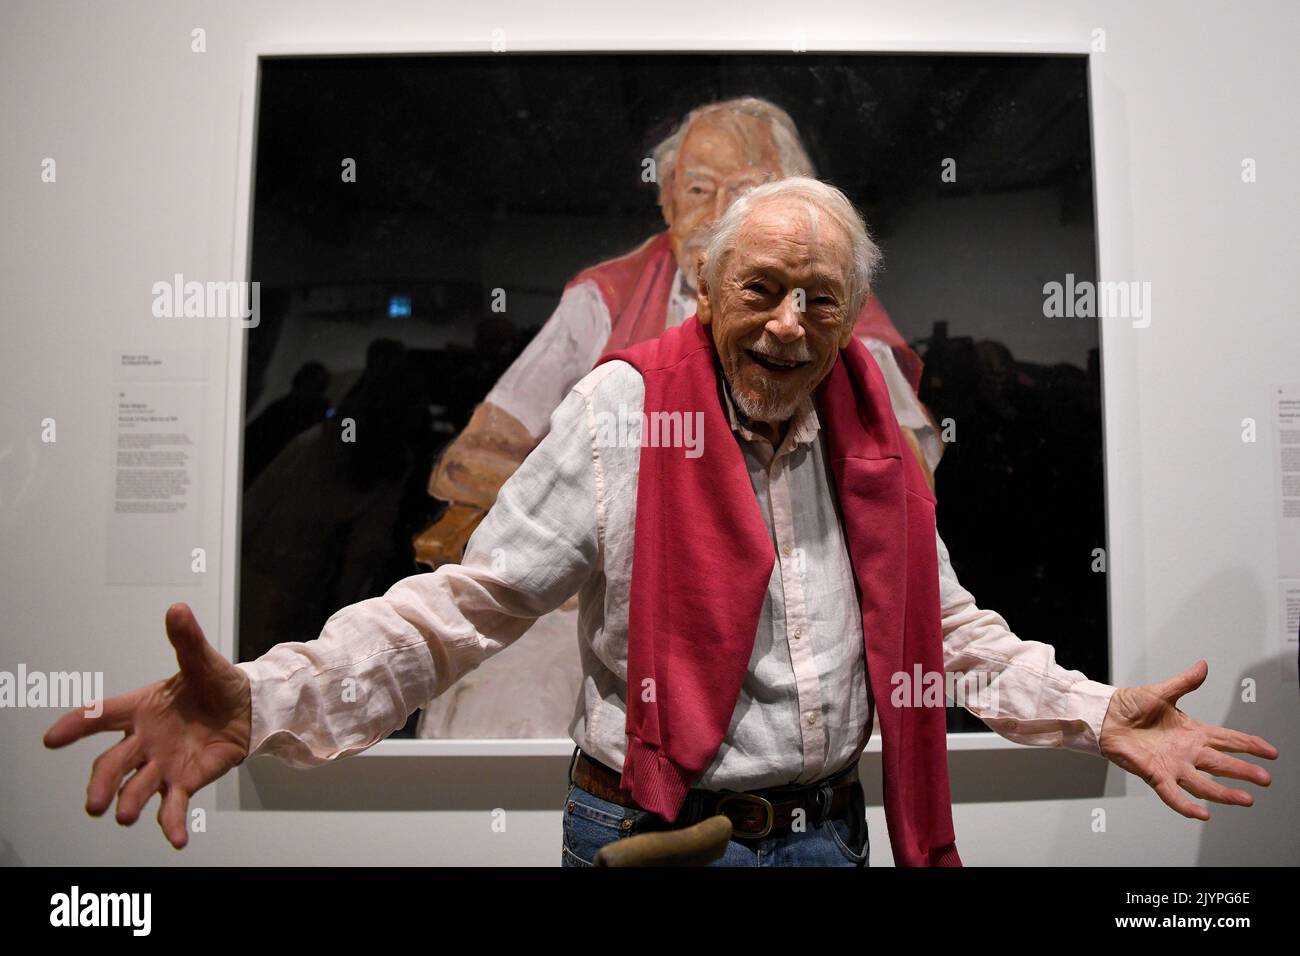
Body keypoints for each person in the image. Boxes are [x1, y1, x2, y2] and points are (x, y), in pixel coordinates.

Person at [44, 178, 1277, 866]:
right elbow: (461, 609)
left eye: (820, 299)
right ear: (703, 289)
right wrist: (261, 696)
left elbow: (947, 635)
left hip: (827, 839)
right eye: (760, 289)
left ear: (852, 317)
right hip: (647, 842)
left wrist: (1092, 710)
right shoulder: (624, 413)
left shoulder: (874, 440)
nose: (789, 324)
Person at [413, 96, 939, 740]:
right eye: (697, 188)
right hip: (609, 600)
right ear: (666, 200)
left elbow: (902, 476)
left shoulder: (832, 309)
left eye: (743, 190)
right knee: (503, 711)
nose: (717, 213)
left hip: (788, 594)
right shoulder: (607, 296)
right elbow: (485, 449)